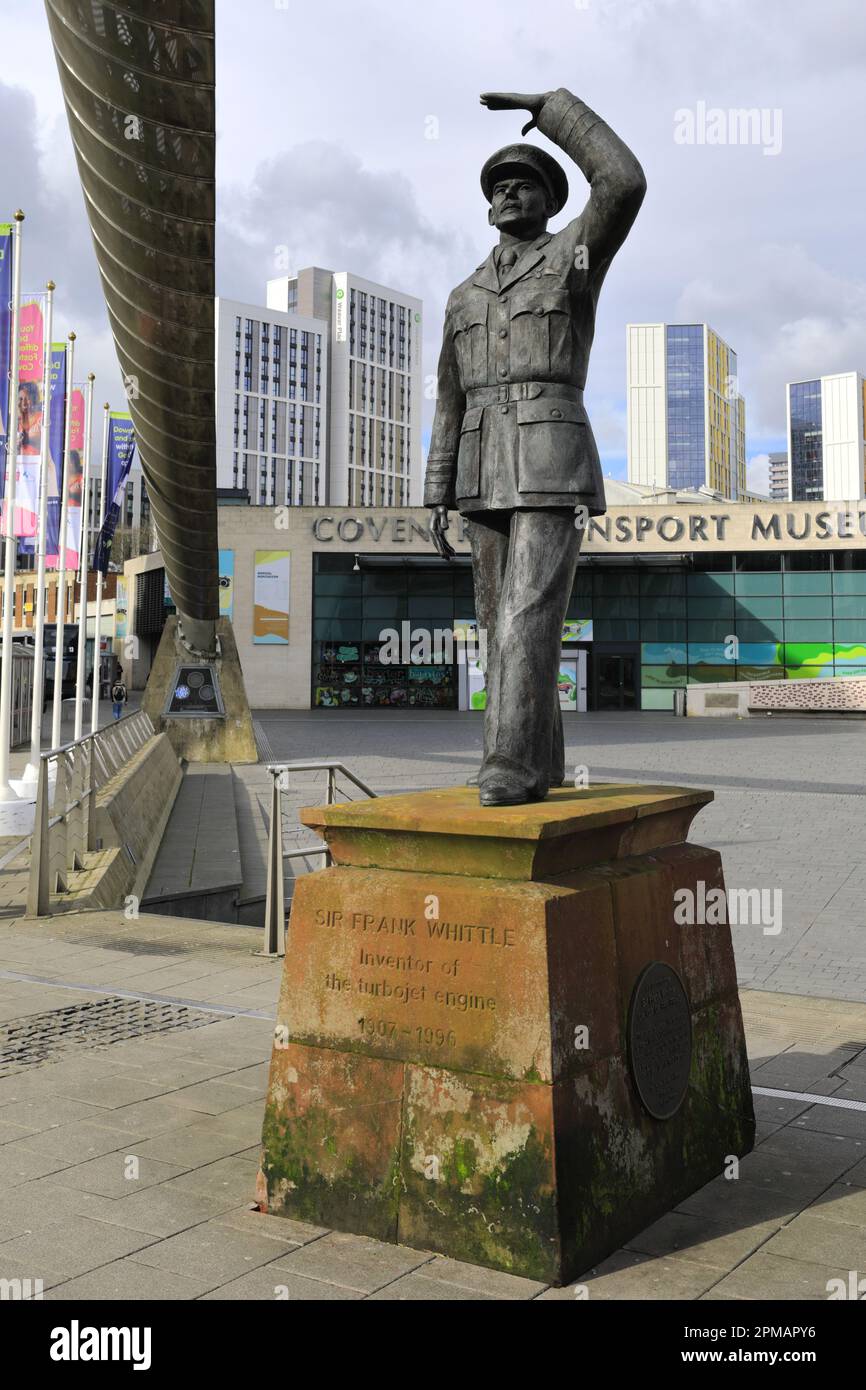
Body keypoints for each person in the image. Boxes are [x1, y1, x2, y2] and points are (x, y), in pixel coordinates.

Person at [425, 87, 646, 805]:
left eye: (525, 182)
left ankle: (509, 766)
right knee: (497, 622)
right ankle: (540, 759)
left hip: (553, 460)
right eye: (499, 185)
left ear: (552, 200)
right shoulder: (464, 294)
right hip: (480, 466)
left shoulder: (572, 259)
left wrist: (555, 110)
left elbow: (623, 180)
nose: (509, 191)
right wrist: (436, 489)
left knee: (527, 612)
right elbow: (449, 395)